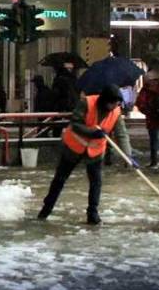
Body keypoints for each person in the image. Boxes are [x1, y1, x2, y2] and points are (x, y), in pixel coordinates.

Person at [36, 85, 129, 225]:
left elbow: (122, 134)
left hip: (96, 151)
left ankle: (93, 213)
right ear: (105, 100)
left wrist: (127, 155)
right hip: (74, 147)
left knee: (96, 182)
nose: (114, 106)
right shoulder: (87, 103)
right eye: (112, 103)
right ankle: (46, 209)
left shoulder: (116, 111)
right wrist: (92, 132)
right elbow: (75, 124)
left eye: (117, 104)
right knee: (60, 179)